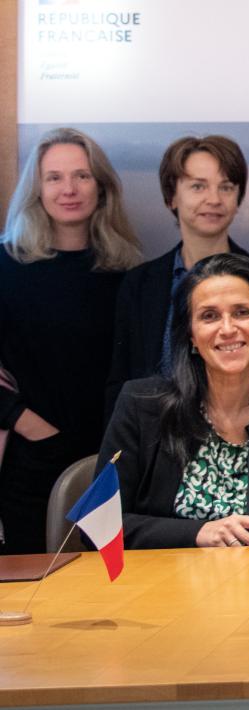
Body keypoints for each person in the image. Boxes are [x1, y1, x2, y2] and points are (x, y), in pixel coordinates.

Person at [100, 253, 249, 548]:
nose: (228, 328)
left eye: (242, 312)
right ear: (191, 335)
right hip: (165, 587)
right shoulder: (142, 405)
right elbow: (99, 526)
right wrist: (196, 533)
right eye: (209, 316)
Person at [0, 128, 142, 554]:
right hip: (30, 461)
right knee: (35, 594)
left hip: (113, 461)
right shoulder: (6, 266)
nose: (69, 189)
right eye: (54, 177)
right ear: (36, 189)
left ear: (102, 187)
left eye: (81, 175)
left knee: (107, 598)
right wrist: (29, 424)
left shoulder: (129, 274)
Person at [107, 135, 249, 417]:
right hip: (156, 446)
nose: (213, 199)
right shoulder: (138, 285)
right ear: (171, 197)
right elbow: (120, 383)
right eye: (198, 186)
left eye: (226, 187)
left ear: (238, 197)